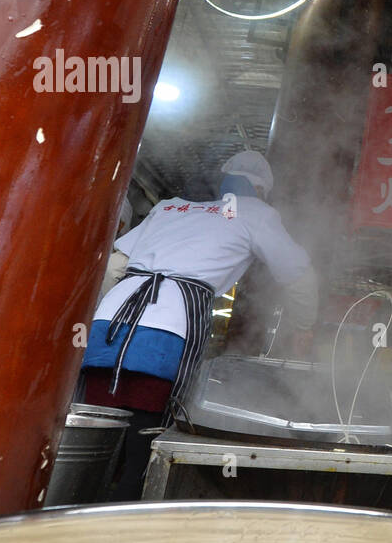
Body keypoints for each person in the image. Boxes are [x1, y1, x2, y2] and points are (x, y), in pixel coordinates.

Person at [79, 150, 318, 501]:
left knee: (95, 436)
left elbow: (115, 267)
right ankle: (120, 518)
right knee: (145, 442)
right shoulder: (257, 213)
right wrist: (304, 326)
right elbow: (298, 275)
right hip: (166, 330)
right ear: (263, 191)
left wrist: (97, 314)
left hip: (110, 323)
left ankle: (73, 509)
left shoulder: (170, 207)